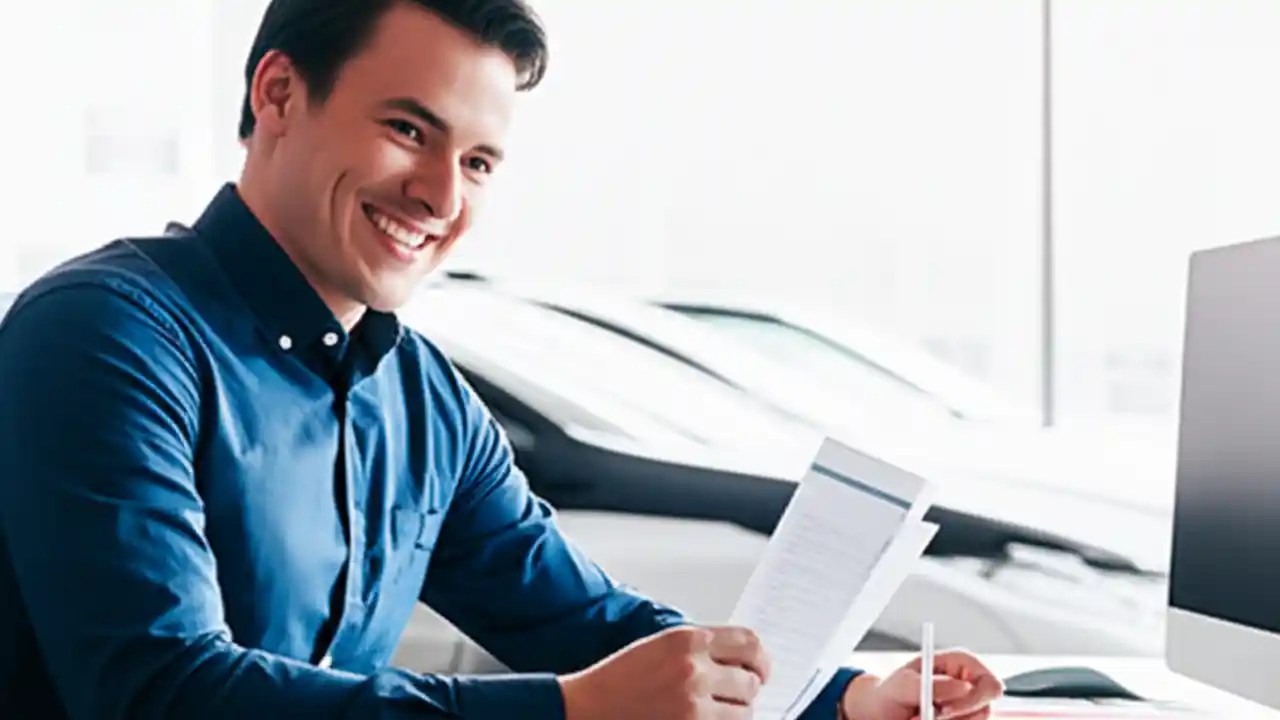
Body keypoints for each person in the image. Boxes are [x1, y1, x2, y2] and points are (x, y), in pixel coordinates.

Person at [0, 1, 1004, 718]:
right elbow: (157, 689)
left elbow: (583, 623)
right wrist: (565, 713)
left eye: (477, 162)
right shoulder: (103, 337)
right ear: (276, 94)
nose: (440, 195)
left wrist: (847, 700)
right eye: (407, 130)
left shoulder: (423, 397)